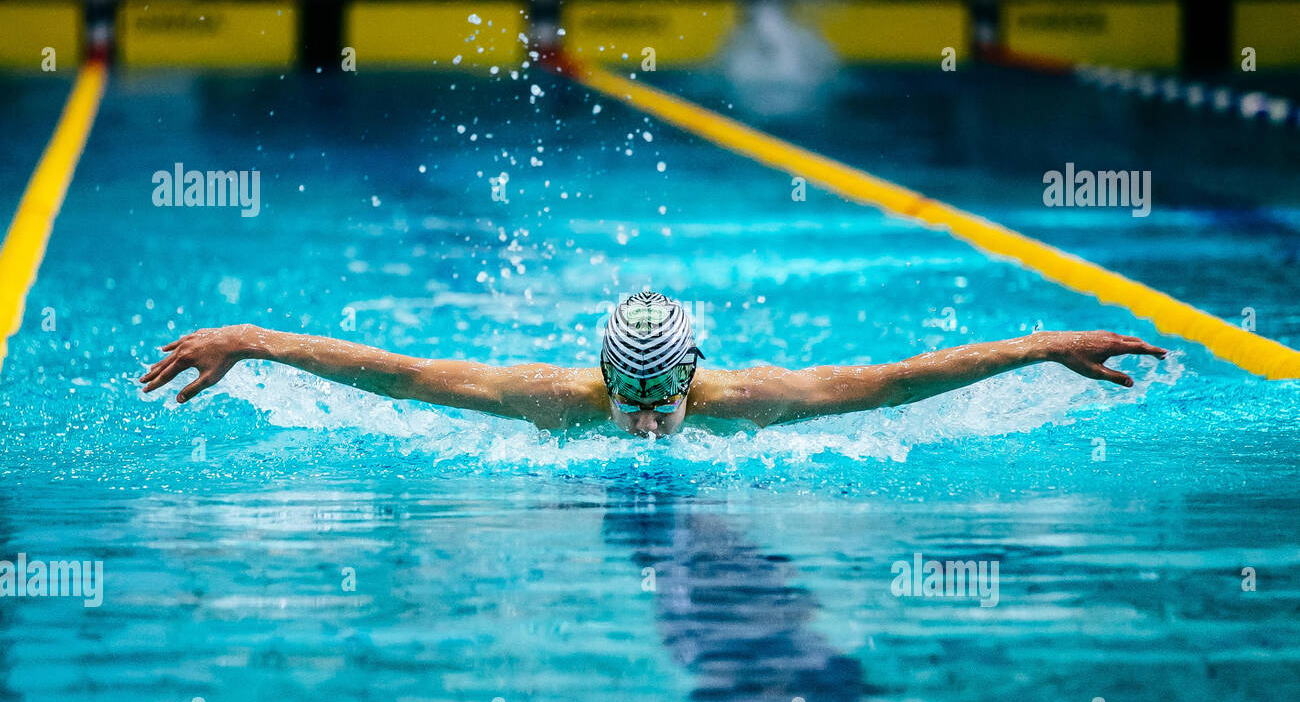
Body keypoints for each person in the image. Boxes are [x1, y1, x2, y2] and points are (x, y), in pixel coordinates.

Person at [138, 290, 1168, 438]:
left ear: (695, 375)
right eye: (628, 401)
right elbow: (397, 373)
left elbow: (901, 378)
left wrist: (1039, 344)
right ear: (600, 378)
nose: (644, 424)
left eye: (660, 400)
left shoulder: (750, 403)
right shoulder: (550, 401)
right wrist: (254, 338)